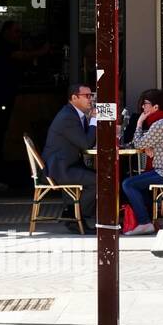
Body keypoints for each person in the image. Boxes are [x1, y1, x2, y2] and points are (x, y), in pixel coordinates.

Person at [42, 84, 98, 231]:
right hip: (59, 169)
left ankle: (72, 212)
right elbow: (86, 143)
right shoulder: (68, 117)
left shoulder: (75, 114)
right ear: (74, 97)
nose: (91, 99)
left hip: (67, 165)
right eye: (87, 96)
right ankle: (76, 217)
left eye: (91, 95)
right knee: (98, 181)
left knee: (97, 176)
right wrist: (94, 120)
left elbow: (85, 140)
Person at [122, 89, 163, 236]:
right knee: (138, 185)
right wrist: (148, 145)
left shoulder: (159, 124)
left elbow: (138, 143)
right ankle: (152, 219)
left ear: (156, 107)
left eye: (145, 104)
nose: (143, 108)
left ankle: (144, 222)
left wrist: (139, 123)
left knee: (128, 184)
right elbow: (147, 143)